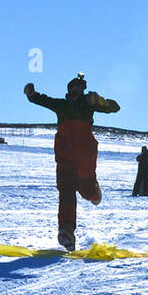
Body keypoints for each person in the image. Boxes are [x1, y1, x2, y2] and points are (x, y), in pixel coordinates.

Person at [24, 74, 120, 251]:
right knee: (66, 189)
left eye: (79, 87)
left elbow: (115, 107)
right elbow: (43, 100)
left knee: (85, 185)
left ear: (83, 89)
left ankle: (94, 193)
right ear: (69, 90)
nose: (76, 90)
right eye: (73, 87)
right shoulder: (61, 105)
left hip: (84, 149)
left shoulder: (89, 103)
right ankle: (66, 230)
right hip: (64, 150)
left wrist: (101, 101)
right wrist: (31, 94)